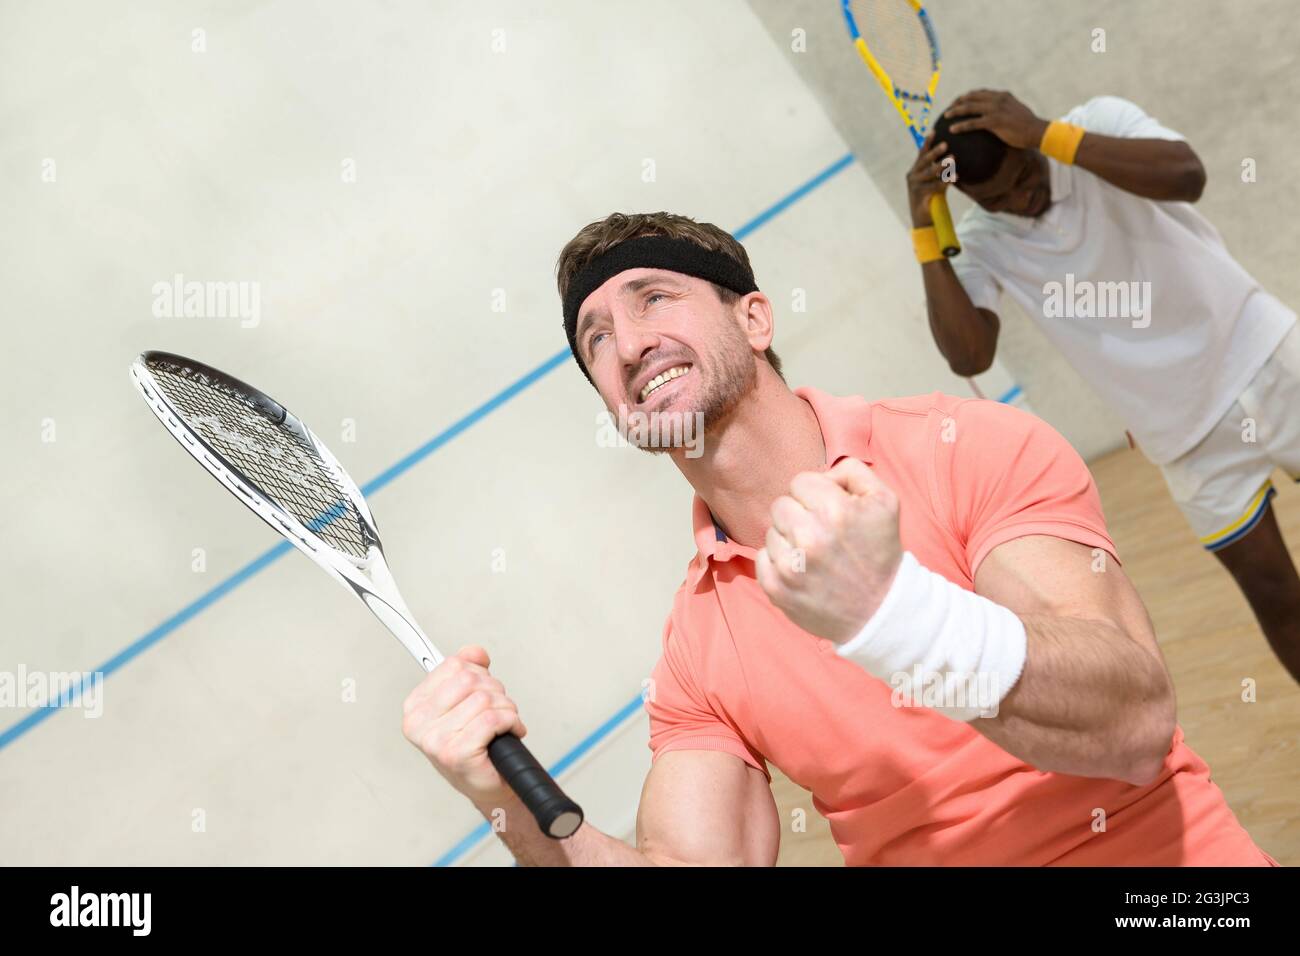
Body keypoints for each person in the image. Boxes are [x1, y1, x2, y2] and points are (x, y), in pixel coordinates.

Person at [400, 212, 1276, 866]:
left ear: (754, 321)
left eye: (653, 297)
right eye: (595, 339)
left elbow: (1132, 722)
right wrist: (505, 800)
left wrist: (893, 615)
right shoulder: (698, 645)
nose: (627, 343)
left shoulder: (965, 446)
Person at [909, 89, 1300, 682]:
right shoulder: (984, 241)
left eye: (1024, 175)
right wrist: (924, 232)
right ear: (965, 196)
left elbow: (1186, 174)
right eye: (997, 198)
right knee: (1276, 598)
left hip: (1269, 359)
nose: (1022, 198)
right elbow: (970, 351)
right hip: (1185, 439)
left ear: (1027, 137)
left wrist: (1048, 136)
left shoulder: (1092, 128)